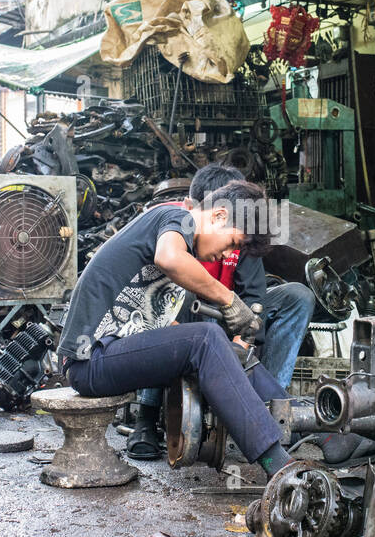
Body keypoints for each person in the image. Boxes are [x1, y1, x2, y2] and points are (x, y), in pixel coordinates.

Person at [58, 179, 294, 478]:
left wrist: (229, 354)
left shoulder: (180, 240)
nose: (226, 255)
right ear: (219, 215)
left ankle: (313, 430)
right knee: (206, 338)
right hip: (87, 360)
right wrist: (228, 299)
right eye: (233, 243)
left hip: (108, 354)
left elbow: (159, 324)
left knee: (229, 352)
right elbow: (168, 259)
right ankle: (277, 464)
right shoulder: (176, 217)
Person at [125, 165, 315, 460]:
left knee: (297, 297)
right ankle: (146, 418)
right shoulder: (172, 222)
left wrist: (243, 341)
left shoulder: (239, 229)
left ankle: (277, 412)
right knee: (171, 300)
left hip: (226, 314)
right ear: (205, 210)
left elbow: (253, 295)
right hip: (181, 316)